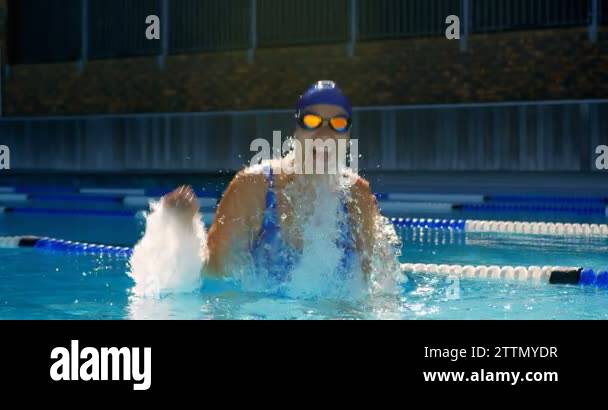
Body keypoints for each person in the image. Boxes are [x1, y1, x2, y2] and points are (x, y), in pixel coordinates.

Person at [162, 81, 387, 283]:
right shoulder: (255, 185)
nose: (324, 134)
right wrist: (185, 230)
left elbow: (376, 282)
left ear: (347, 137)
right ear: (297, 130)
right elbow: (216, 272)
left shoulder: (357, 194)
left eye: (337, 123)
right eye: (312, 121)